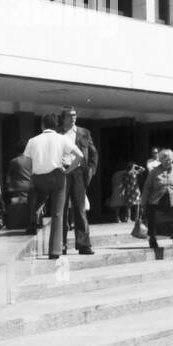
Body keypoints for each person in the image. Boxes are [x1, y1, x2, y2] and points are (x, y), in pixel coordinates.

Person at [24, 113, 84, 259]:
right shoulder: (61, 138)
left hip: (38, 178)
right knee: (58, 214)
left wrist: (35, 172)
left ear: (42, 125)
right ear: (56, 125)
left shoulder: (33, 140)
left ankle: (37, 209)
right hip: (57, 177)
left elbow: (26, 163)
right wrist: (67, 170)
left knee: (39, 195)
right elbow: (80, 156)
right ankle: (55, 251)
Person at [60, 106, 98, 255]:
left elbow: (94, 153)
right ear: (63, 118)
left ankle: (83, 244)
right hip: (62, 171)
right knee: (61, 209)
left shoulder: (84, 133)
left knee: (80, 209)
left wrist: (91, 171)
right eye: (70, 115)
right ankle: (61, 244)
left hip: (78, 173)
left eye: (75, 115)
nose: (73, 118)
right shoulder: (58, 134)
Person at [140, 148, 173, 260]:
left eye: (169, 159)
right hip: (157, 202)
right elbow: (147, 188)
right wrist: (143, 203)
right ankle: (152, 239)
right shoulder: (154, 171)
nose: (168, 161)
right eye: (165, 159)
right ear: (161, 160)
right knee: (153, 224)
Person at [4, 146, 35, 232]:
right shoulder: (32, 160)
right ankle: (30, 223)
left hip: (17, 187)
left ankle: (17, 223)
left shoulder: (14, 161)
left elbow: (9, 175)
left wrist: (8, 186)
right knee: (30, 206)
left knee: (17, 205)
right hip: (30, 186)